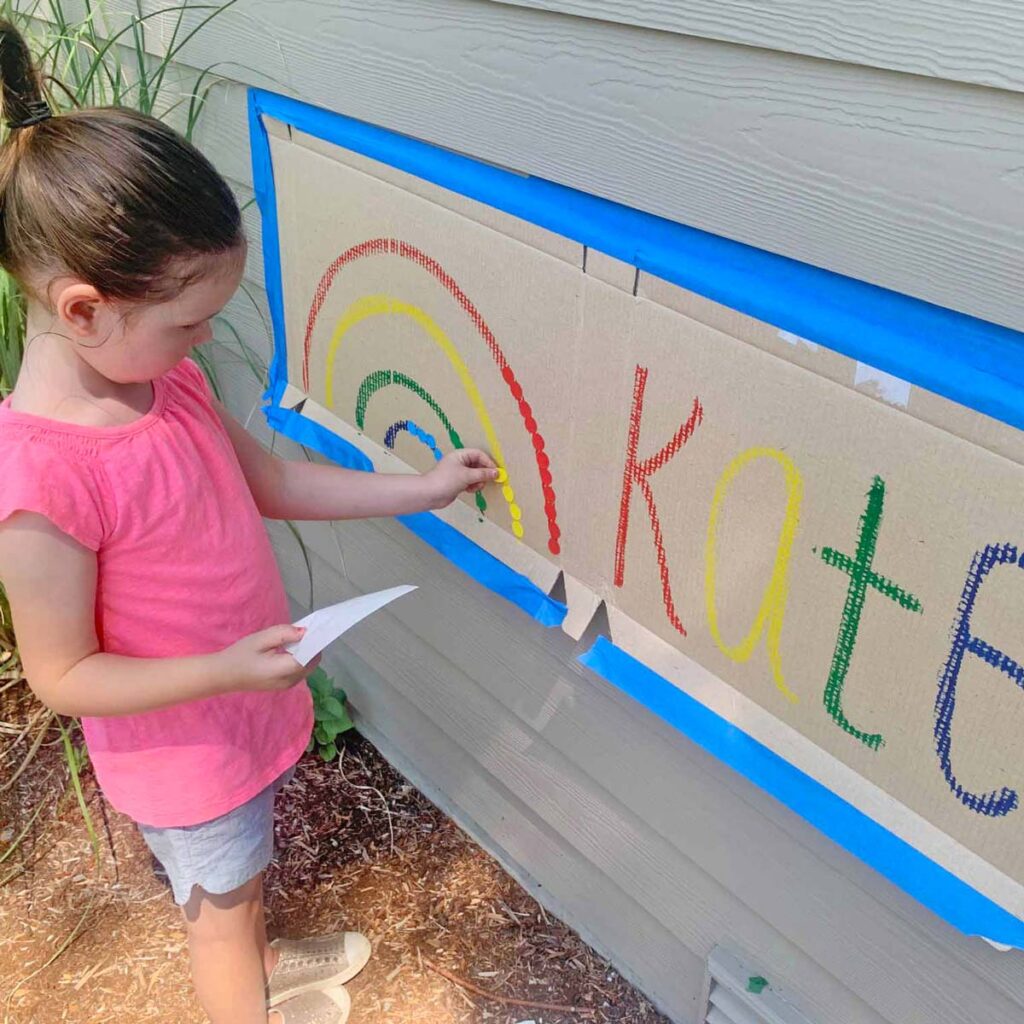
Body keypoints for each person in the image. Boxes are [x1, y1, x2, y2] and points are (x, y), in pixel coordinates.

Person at [0, 20, 497, 1024]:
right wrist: (227, 668)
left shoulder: (162, 381)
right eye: (187, 320)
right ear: (84, 310)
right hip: (186, 753)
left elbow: (265, 478)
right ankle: (247, 989)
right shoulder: (42, 479)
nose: (203, 340)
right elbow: (63, 675)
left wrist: (418, 488)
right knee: (217, 917)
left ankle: (261, 959)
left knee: (239, 881)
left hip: (234, 712)